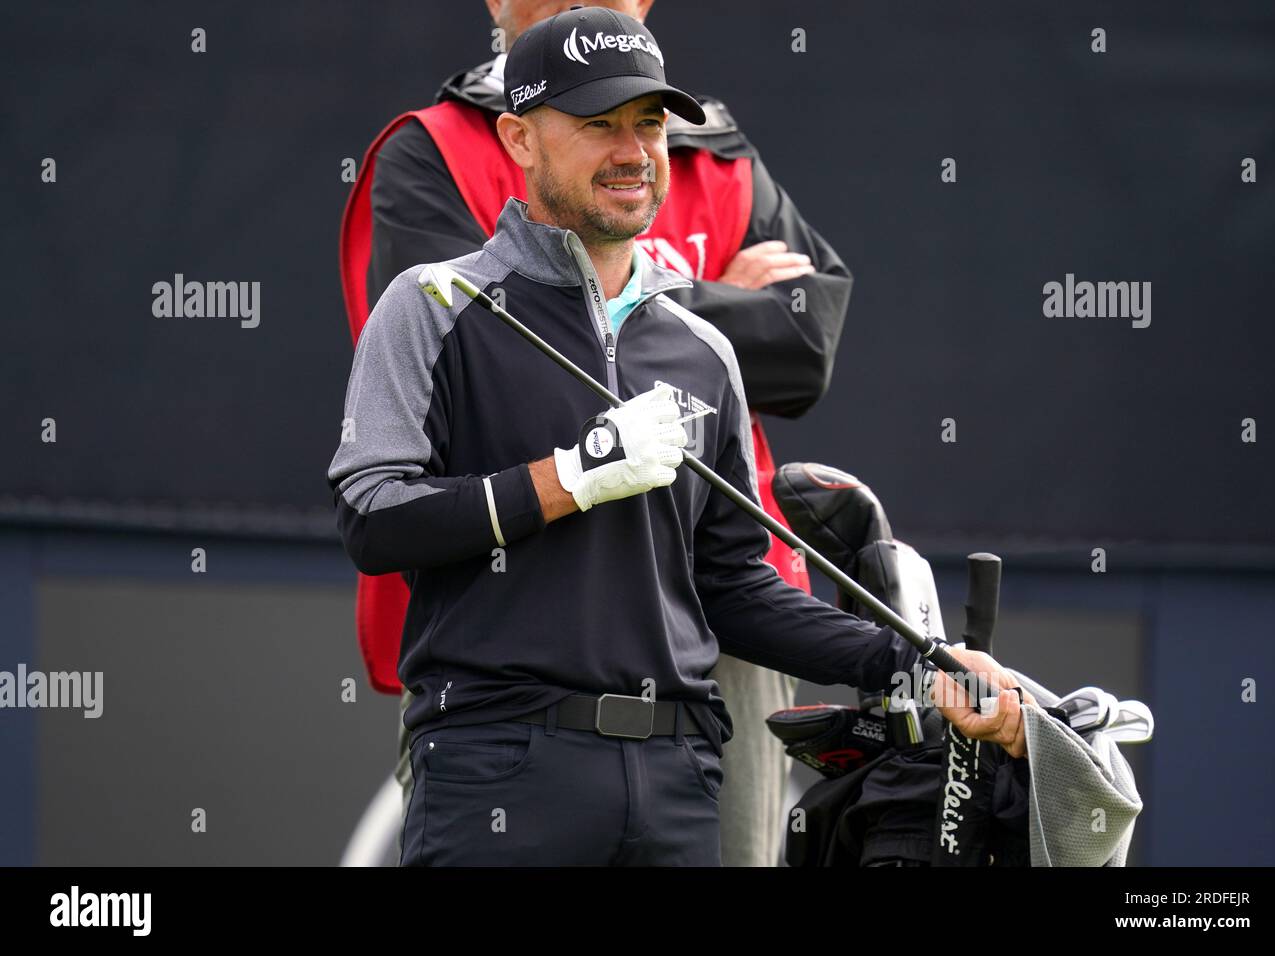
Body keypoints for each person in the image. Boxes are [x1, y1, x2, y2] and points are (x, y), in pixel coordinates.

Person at [328, 5, 1034, 866]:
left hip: (677, 775)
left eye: (650, 124)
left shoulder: (701, 350)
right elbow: (375, 515)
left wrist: (912, 661)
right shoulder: (434, 304)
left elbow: (730, 583)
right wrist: (568, 478)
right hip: (496, 763)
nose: (633, 152)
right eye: (598, 125)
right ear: (519, 140)